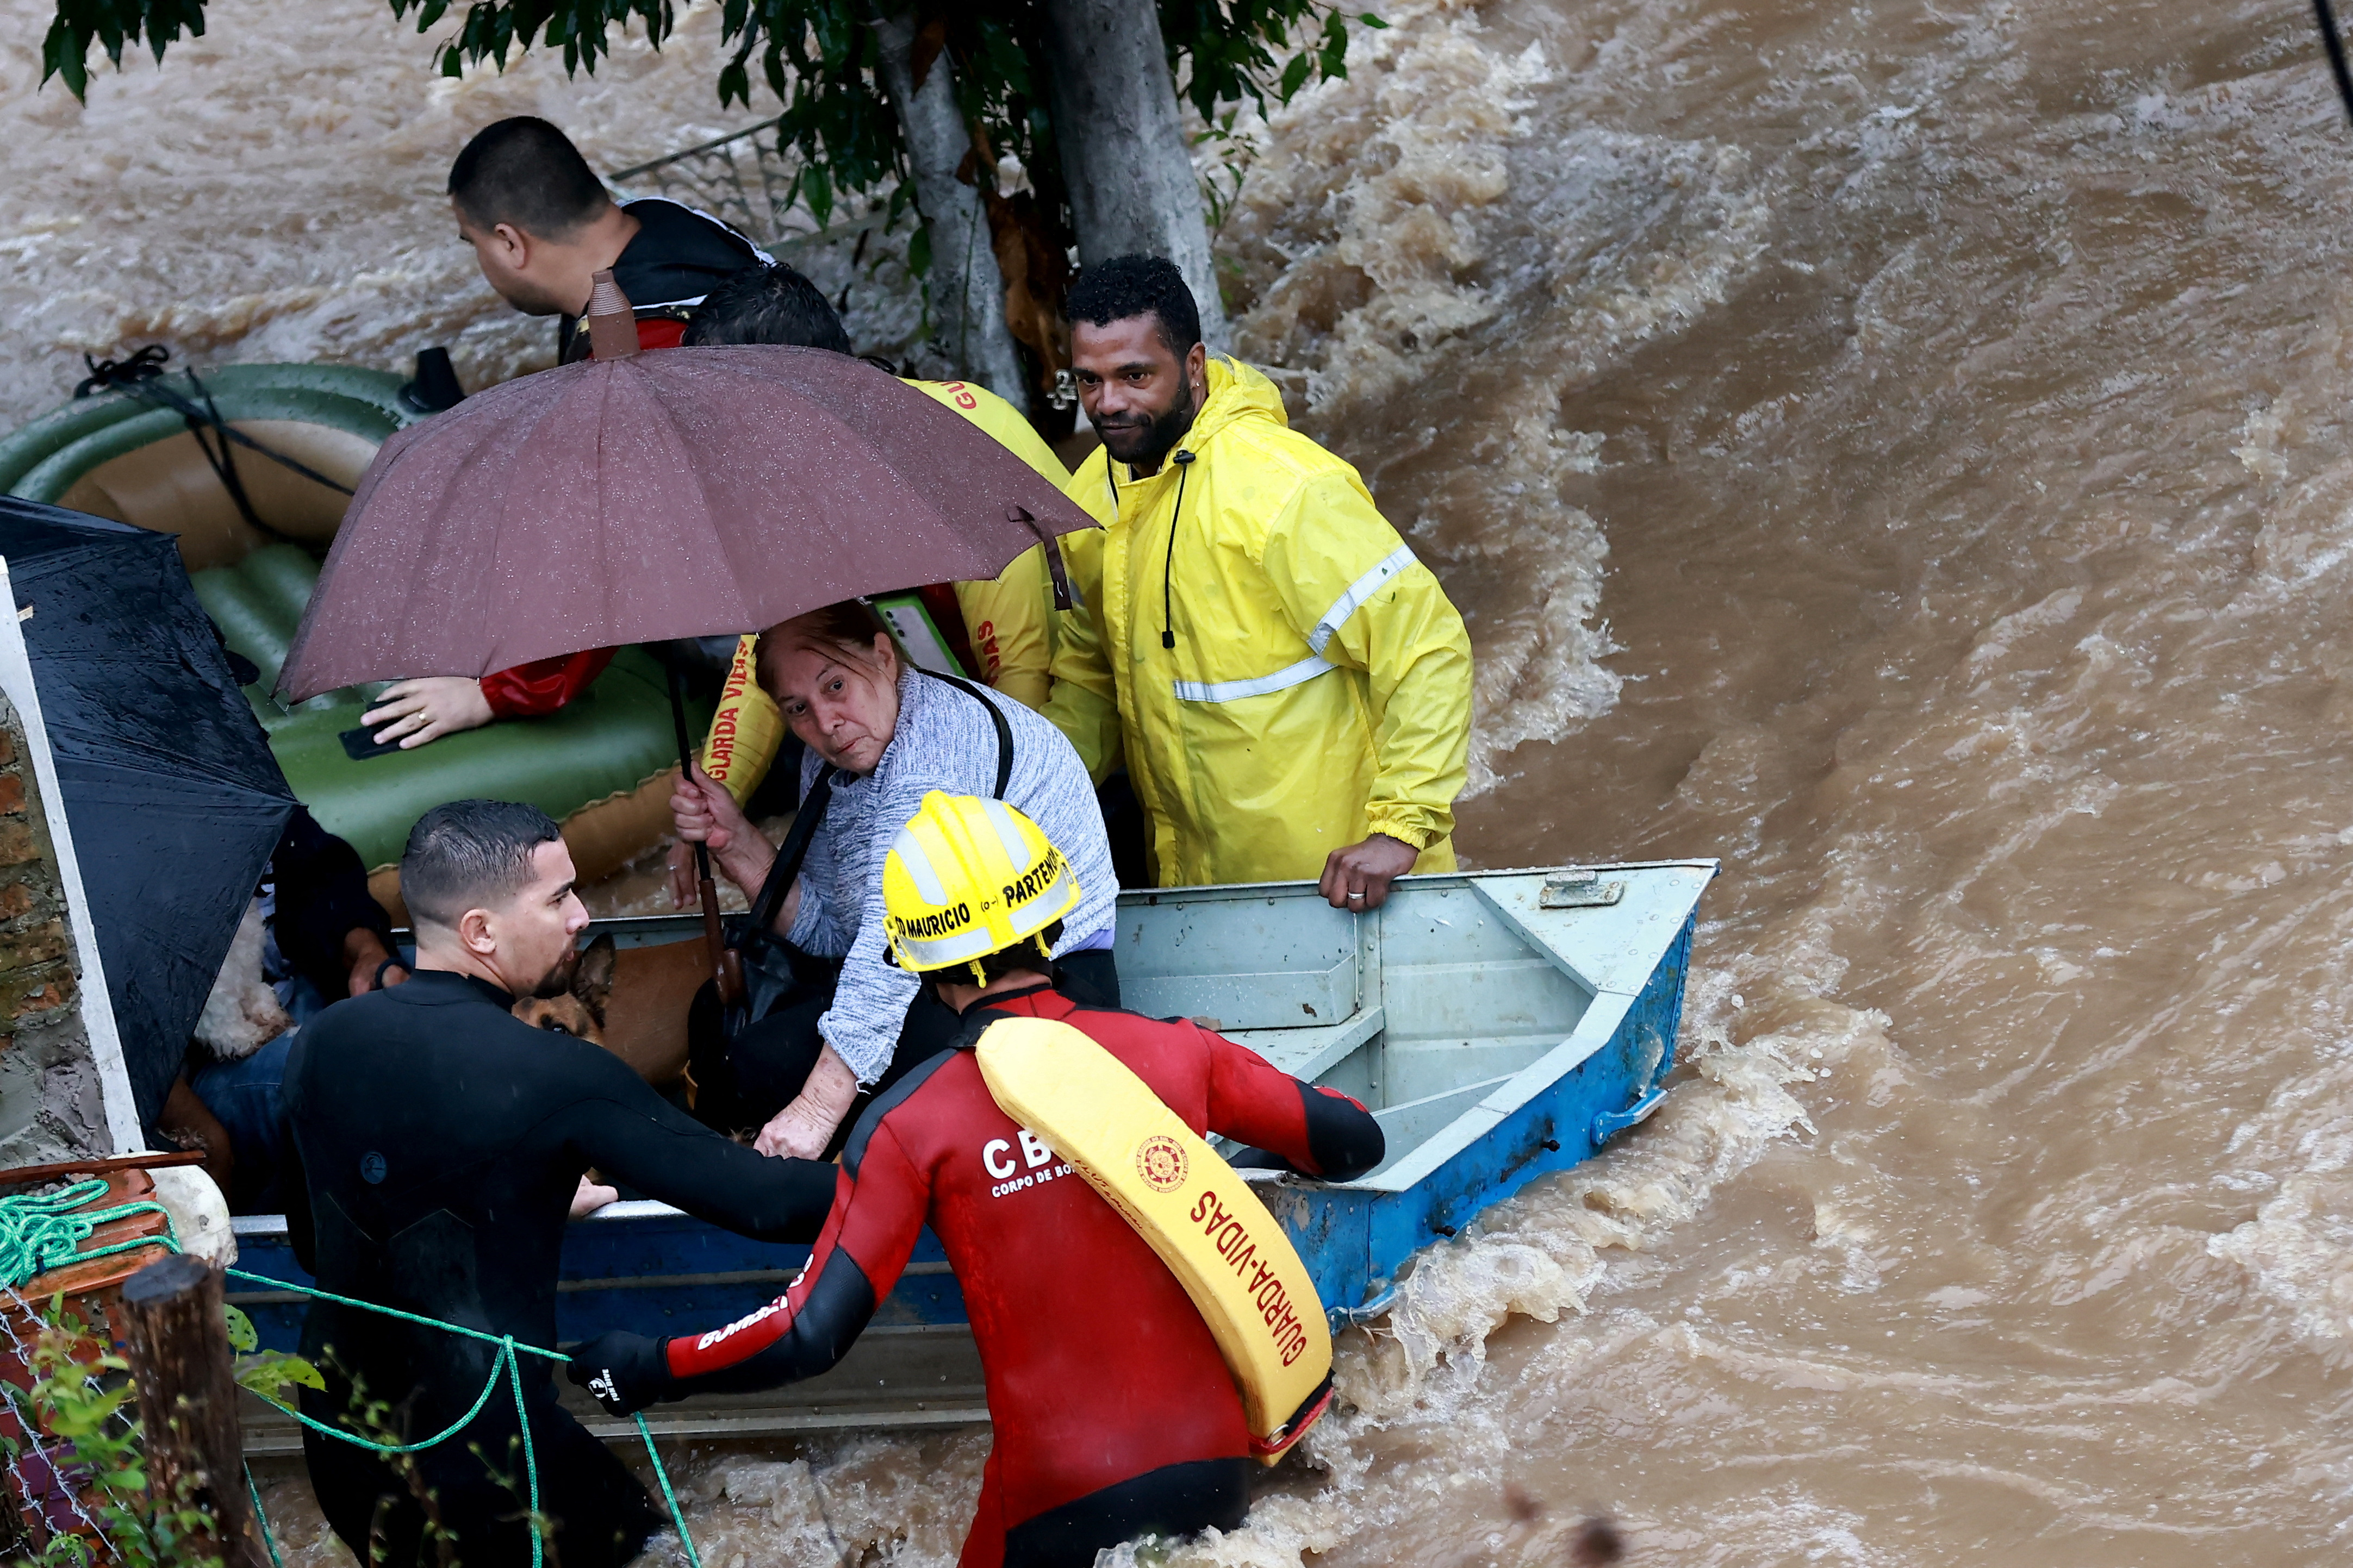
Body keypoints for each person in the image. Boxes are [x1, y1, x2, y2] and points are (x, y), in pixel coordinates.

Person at [567, 795, 1385, 1568]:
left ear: (915, 964)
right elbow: (1351, 1141)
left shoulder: (911, 1124)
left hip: (1056, 1497)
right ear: (1056, 920)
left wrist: (648, 1366)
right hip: (1219, 1467)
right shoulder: (1174, 1051)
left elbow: (807, 1334)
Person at [280, 799, 836, 1568]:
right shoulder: (558, 1072)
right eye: (558, 898)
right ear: (481, 932)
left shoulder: (318, 1043)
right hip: (491, 1461)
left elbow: (320, 1245)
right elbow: (767, 1203)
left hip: (343, 1450)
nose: (582, 915)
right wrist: (923, 1161)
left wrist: (517, 1191)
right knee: (661, 1557)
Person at [1043, 255, 1475, 911]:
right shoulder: (1089, 499)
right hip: (1200, 893)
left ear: (1192, 366)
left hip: (1350, 887)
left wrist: (1399, 829)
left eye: (1135, 375)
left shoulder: (1284, 488)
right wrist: (1024, 792)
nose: (1109, 403)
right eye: (1089, 381)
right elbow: (1089, 679)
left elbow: (1424, 647)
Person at [663, 264, 1077, 896]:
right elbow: (772, 653)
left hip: (1060, 715)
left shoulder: (953, 445)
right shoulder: (785, 471)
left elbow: (1023, 676)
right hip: (919, 708)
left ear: (806, 393)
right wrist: (714, 799)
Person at [359, 117, 770, 751]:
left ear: (509, 243)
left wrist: (493, 690)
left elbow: (607, 547)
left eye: (471, 243)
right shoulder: (666, 224)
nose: (479, 261)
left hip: (772, 614)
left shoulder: (633, 359)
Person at [671, 600, 1116, 1160]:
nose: (825, 723)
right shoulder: (838, 757)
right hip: (946, 979)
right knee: (736, 1047)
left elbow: (887, 946)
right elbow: (835, 931)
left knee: (773, 1075)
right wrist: (735, 841)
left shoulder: (934, 746)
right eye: (798, 708)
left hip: (1045, 984)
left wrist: (815, 1109)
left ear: (883, 656)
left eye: (835, 685)